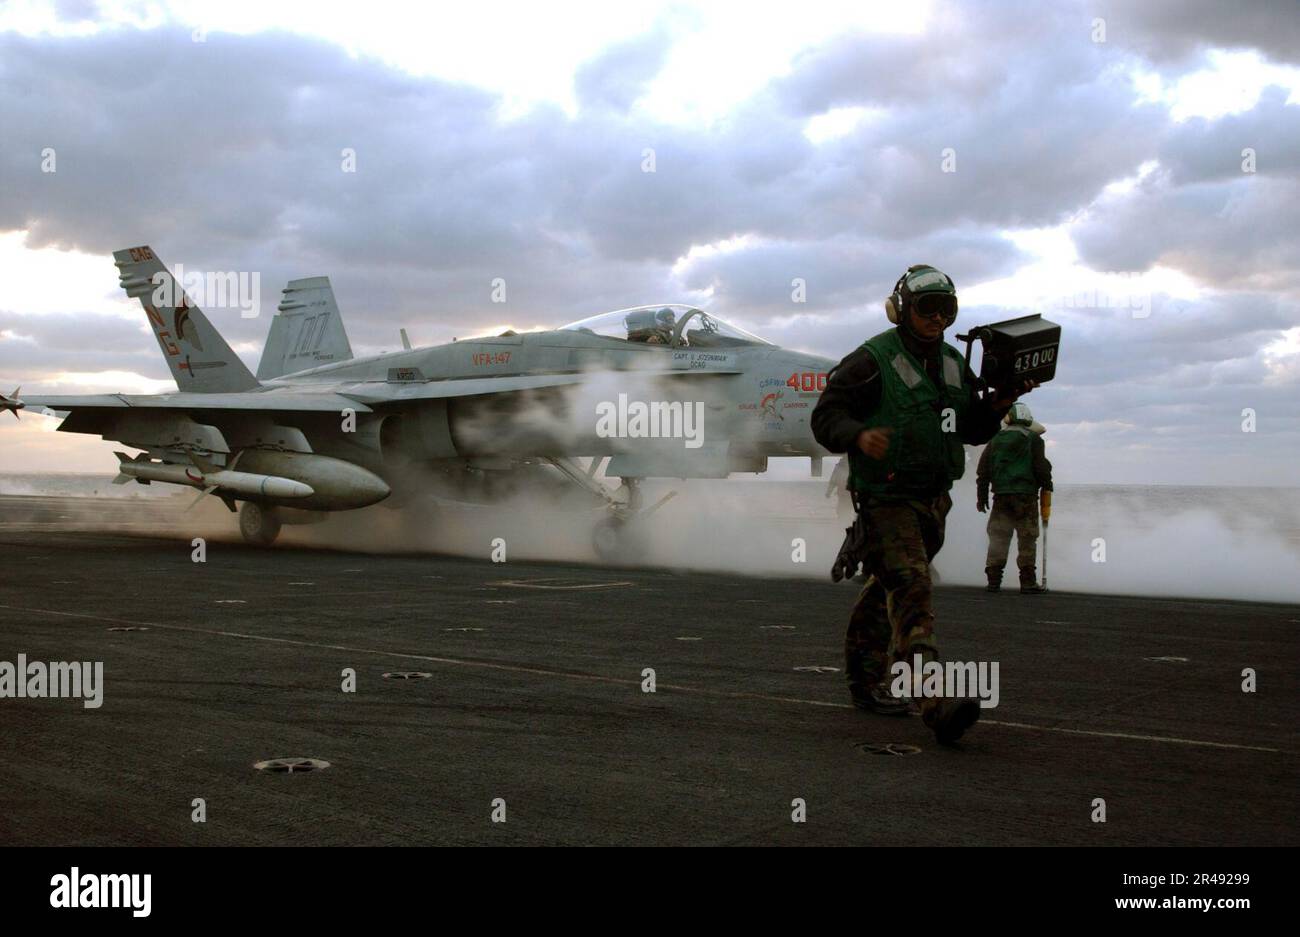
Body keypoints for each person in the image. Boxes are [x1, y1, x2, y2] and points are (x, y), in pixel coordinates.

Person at [811, 264, 1035, 743]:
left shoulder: (954, 364)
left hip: (934, 503)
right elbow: (825, 416)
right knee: (912, 588)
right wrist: (858, 435)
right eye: (926, 308)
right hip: (886, 500)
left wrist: (1000, 403)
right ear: (902, 310)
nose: (936, 318)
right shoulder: (871, 361)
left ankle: (864, 683)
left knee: (884, 590)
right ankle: (934, 701)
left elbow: (970, 428)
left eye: (945, 310)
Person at [976, 403, 1053, 594]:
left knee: (999, 537)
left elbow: (983, 470)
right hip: (1026, 496)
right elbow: (1041, 467)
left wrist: (982, 496)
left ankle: (994, 580)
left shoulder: (995, 439)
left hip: (1001, 496)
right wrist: (1047, 484)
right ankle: (1027, 582)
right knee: (1027, 538)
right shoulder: (1033, 439)